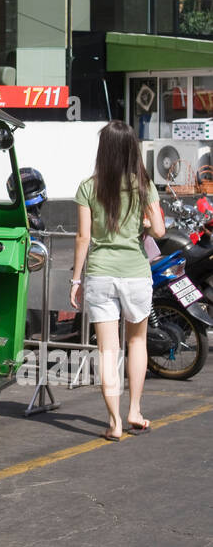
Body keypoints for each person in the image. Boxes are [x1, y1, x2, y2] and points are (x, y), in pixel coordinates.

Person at [71, 120, 165, 440]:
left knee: (107, 350)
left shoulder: (88, 186)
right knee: (136, 342)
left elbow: (83, 237)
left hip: (99, 273)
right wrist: (145, 220)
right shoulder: (144, 185)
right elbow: (160, 231)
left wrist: (75, 280)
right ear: (131, 149)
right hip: (136, 272)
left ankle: (114, 422)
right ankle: (134, 410)